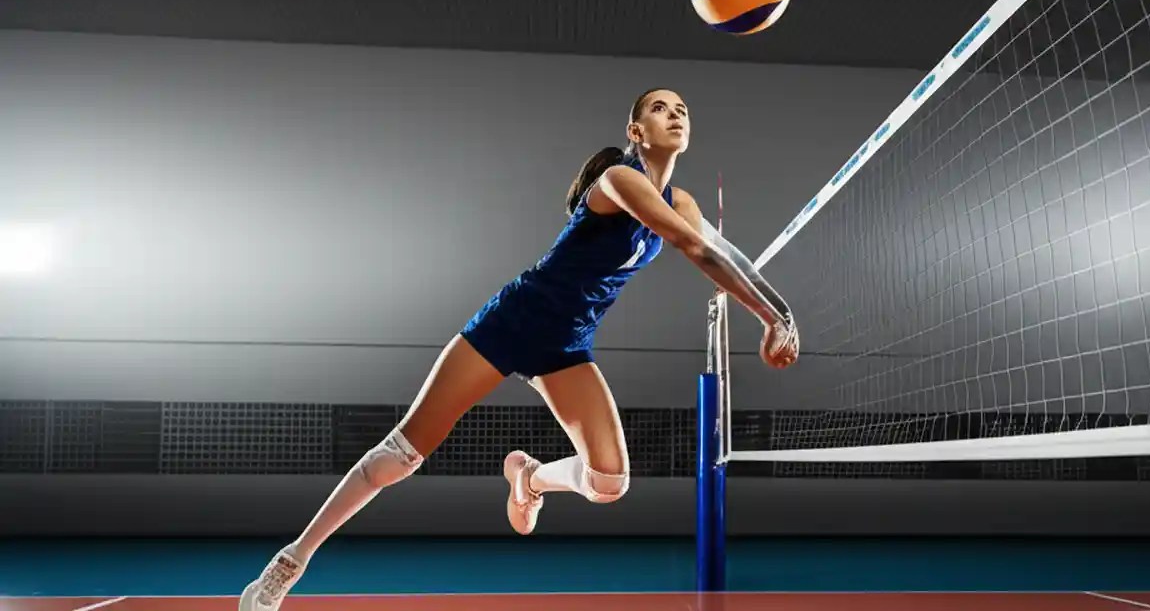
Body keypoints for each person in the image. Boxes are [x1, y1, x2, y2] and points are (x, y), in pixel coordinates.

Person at [239, 88, 799, 611]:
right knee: (401, 455)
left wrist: (781, 313)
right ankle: (291, 561)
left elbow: (729, 257)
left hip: (567, 343)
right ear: (636, 129)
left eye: (682, 109)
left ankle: (529, 478)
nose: (676, 114)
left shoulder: (684, 201)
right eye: (660, 107)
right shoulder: (619, 179)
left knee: (610, 482)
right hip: (513, 321)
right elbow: (693, 246)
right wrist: (768, 316)